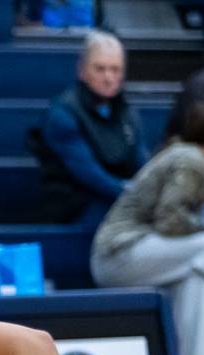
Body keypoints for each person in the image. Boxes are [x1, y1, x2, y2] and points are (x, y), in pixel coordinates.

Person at [91, 103, 204, 355]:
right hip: (118, 254)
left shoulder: (188, 156)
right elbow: (170, 220)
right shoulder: (190, 159)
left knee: (195, 281)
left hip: (142, 252)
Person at [32, 30, 149, 228]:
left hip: (118, 198)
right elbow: (89, 175)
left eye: (115, 70)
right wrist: (134, 197)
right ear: (82, 70)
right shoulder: (62, 114)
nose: (108, 77)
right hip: (77, 205)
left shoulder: (127, 112)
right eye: (100, 69)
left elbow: (142, 162)